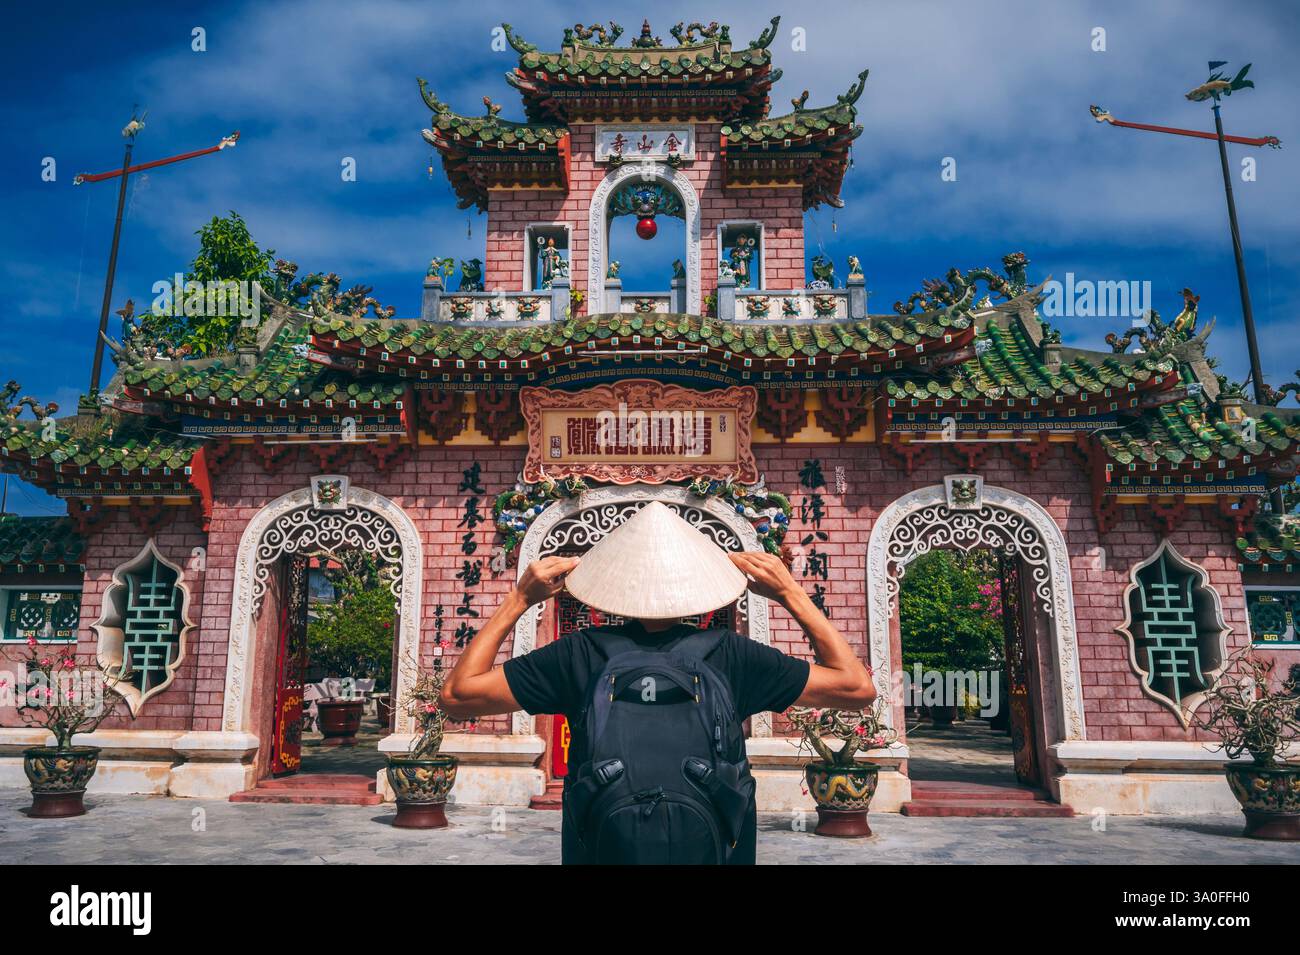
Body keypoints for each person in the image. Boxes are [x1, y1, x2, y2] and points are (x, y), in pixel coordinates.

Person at [441, 501, 875, 864]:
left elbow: (458, 697)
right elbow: (856, 689)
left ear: (613, 586)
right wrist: (789, 593)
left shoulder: (577, 653)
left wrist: (519, 598)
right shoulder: (734, 655)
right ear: (699, 587)